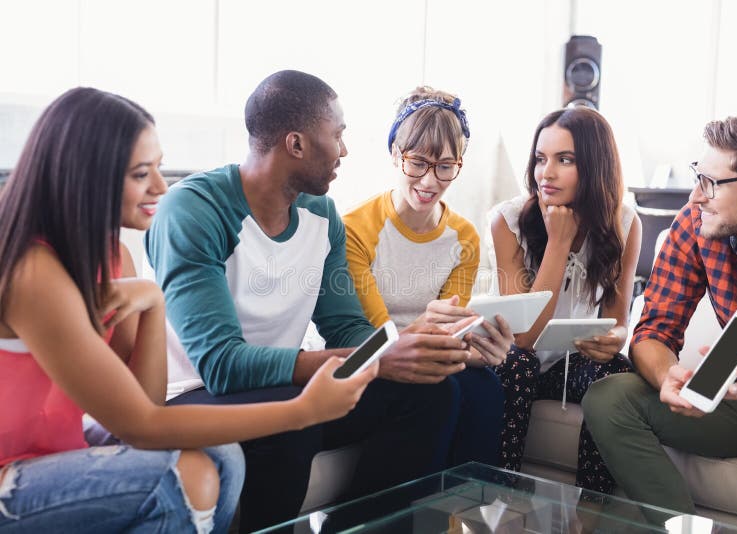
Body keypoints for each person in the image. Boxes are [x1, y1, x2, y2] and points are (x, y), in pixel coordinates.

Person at [0, 88, 376, 533]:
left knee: (223, 456)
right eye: (142, 174)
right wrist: (305, 411)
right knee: (179, 475)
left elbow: (146, 399)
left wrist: (154, 303)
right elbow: (142, 425)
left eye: (158, 168)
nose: (161, 187)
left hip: (58, 452)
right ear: (86, 178)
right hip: (11, 473)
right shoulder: (32, 270)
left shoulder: (113, 255)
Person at [144, 70, 473, 531]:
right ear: (296, 144)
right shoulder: (194, 210)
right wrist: (375, 359)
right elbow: (220, 364)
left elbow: (347, 328)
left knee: (433, 393)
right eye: (337, 135)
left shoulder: (322, 215)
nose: (344, 150)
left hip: (281, 387)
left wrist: (408, 349)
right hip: (195, 396)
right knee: (292, 425)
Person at [582, 112, 737, 521]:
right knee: (610, 397)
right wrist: (669, 378)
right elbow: (653, 329)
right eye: (698, 177)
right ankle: (674, 528)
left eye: (711, 184)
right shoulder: (697, 224)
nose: (696, 197)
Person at [343, 87, 513, 467]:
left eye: (445, 166)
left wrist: (483, 352)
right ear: (394, 155)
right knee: (444, 392)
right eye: (417, 162)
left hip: (429, 360)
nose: (430, 181)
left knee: (484, 384)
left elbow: (453, 334)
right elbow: (374, 340)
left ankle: (465, 514)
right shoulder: (355, 228)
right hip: (369, 358)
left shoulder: (463, 237)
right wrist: (432, 335)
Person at [488, 107, 641, 495]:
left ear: (594, 166)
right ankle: (501, 501)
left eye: (564, 160)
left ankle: (591, 511)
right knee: (516, 364)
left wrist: (613, 339)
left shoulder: (625, 223)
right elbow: (522, 336)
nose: (546, 173)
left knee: (615, 371)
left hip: (567, 366)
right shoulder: (506, 221)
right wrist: (557, 243)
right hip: (509, 359)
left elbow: (618, 321)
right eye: (540, 159)